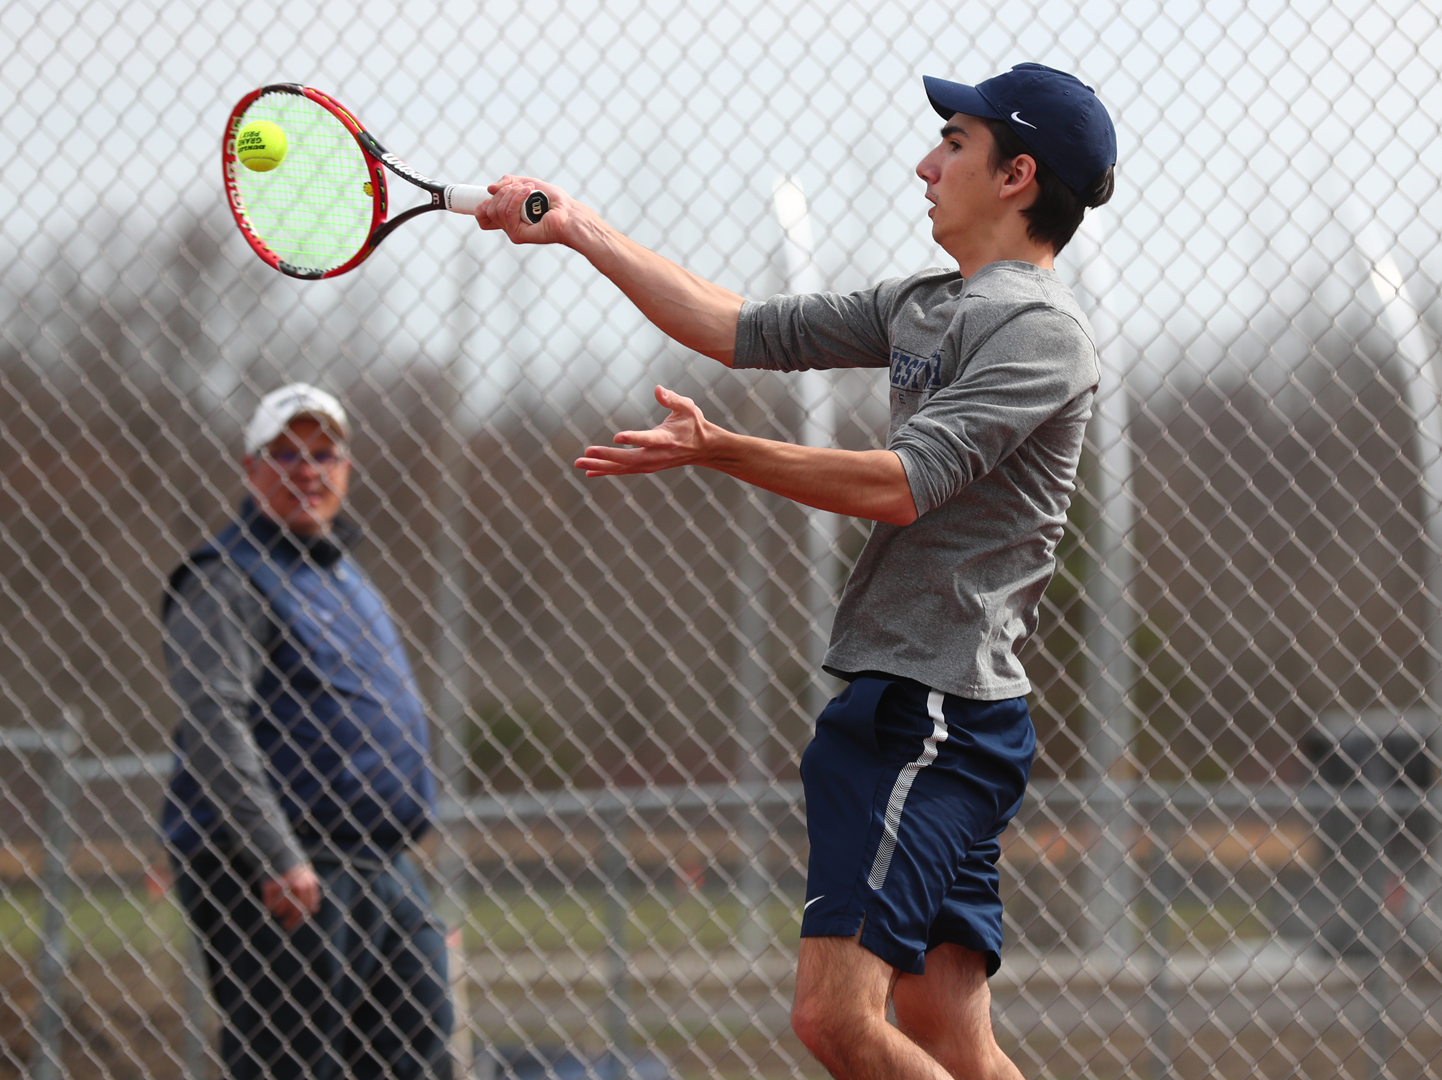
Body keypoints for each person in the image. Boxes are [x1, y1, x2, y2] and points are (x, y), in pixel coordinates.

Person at [478, 63, 1116, 1080]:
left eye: (954, 142)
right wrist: (578, 228)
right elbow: (738, 329)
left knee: (835, 1018)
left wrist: (720, 449)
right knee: (950, 1032)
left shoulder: (1041, 330)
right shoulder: (926, 303)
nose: (926, 164)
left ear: (1017, 175)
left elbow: (903, 485)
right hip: (927, 706)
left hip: (933, 715)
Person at [159, 384, 452, 1080]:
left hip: (379, 863)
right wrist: (277, 855)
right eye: (285, 454)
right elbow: (213, 724)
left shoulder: (342, 575)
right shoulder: (226, 578)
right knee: (292, 1063)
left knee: (417, 1050)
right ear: (250, 468)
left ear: (346, 467)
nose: (308, 471)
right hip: (285, 868)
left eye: (324, 454)